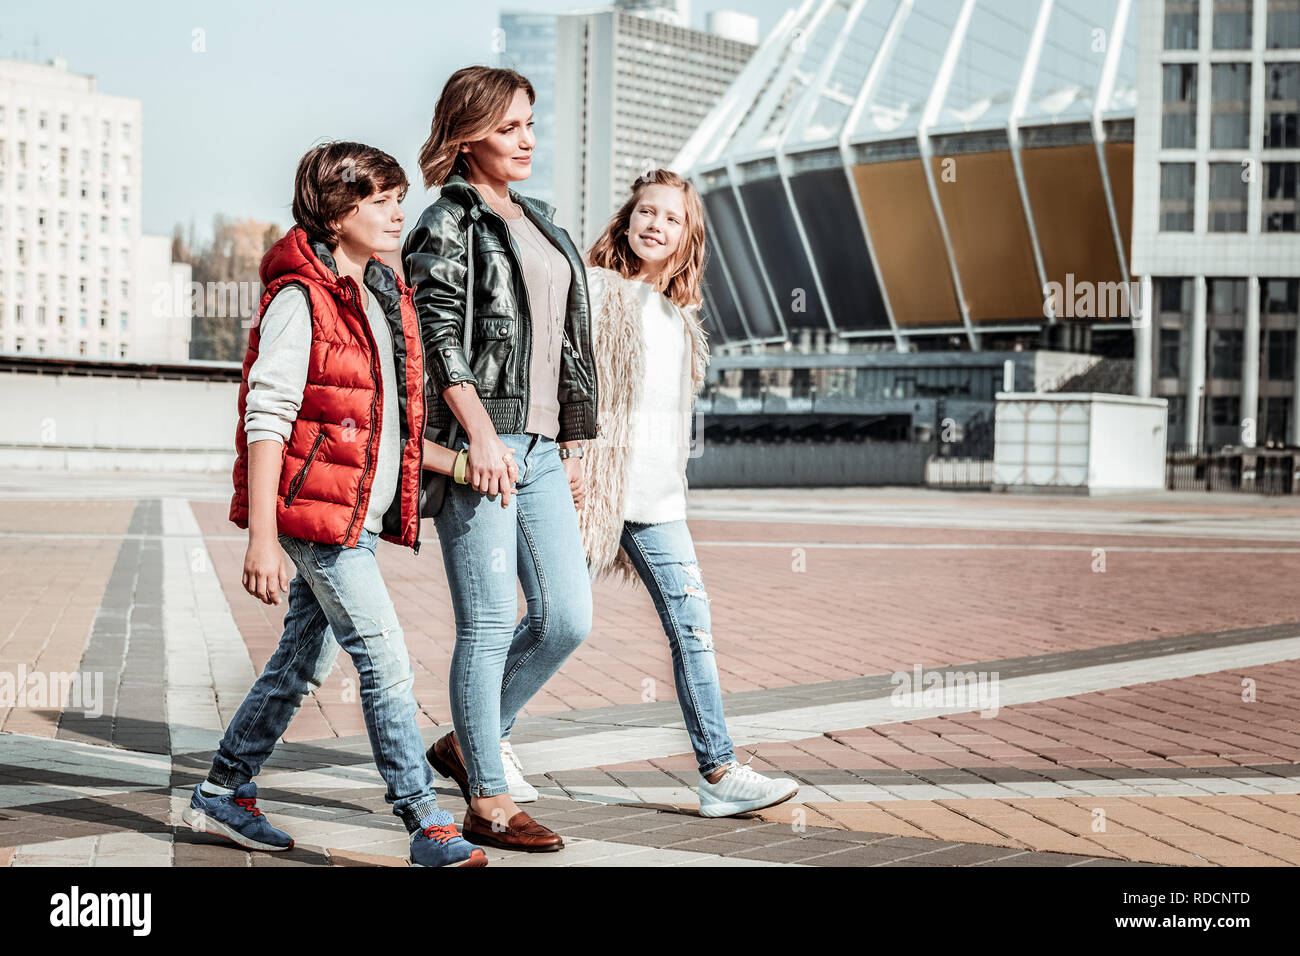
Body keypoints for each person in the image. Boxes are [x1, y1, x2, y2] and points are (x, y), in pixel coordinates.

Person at [183, 141, 487, 868]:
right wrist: (261, 538)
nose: (396, 211)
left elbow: (391, 432)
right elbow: (267, 418)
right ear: (336, 210)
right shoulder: (301, 299)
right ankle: (423, 818)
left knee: (300, 665)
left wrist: (464, 465)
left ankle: (224, 789)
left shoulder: (380, 299)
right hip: (317, 521)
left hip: (352, 518)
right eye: (378, 199)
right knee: (386, 660)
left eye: (397, 198)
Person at [403, 67, 600, 852]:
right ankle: (487, 798)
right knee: (487, 625)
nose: (526, 139)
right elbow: (437, 333)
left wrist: (573, 442)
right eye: (509, 126)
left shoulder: (541, 222)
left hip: (543, 448)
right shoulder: (446, 223)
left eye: (529, 123)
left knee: (566, 619)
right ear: (467, 132)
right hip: (478, 443)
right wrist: (480, 434)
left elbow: (566, 345)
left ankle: (466, 740)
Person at [578, 168, 799, 817]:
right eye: (646, 212)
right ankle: (478, 739)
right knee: (553, 625)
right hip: (592, 492)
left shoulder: (681, 321)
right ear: (627, 221)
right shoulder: (595, 292)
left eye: (671, 219)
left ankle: (719, 772)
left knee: (694, 628)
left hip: (660, 506)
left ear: (687, 237)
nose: (656, 224)